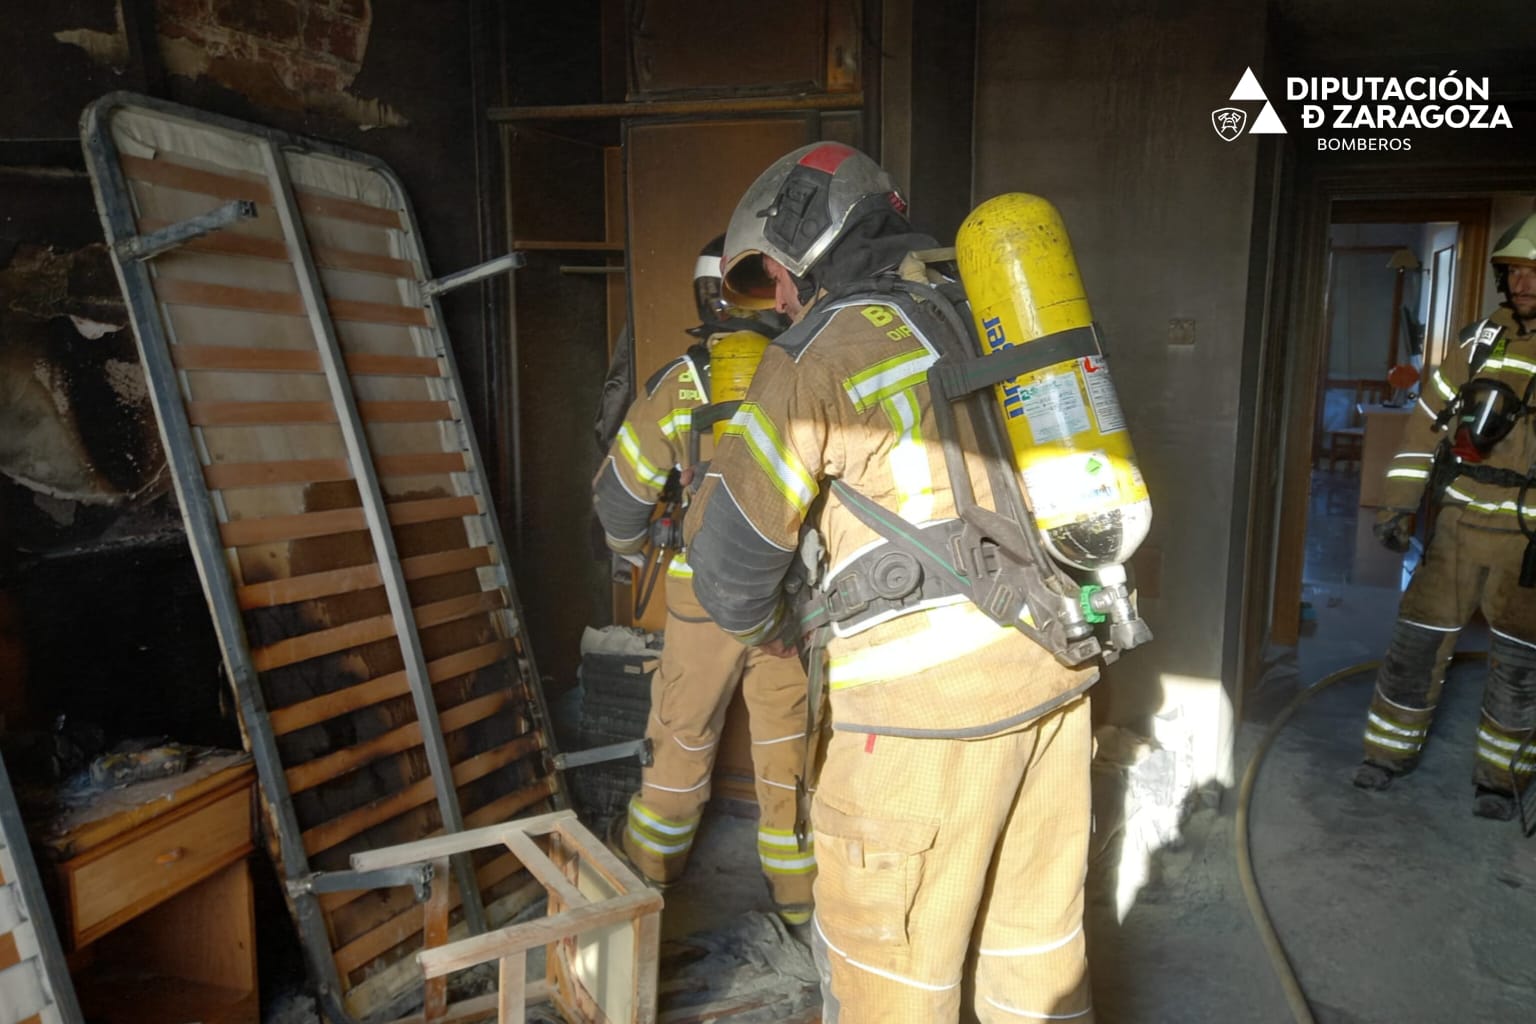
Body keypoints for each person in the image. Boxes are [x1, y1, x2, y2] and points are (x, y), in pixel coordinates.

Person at [684, 142, 1100, 1022]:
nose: (779, 301)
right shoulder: (982, 311)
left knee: (890, 987)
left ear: (804, 246)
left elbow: (727, 568)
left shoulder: (816, 354)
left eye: (774, 278)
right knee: (1035, 967)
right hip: (1056, 681)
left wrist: (777, 633)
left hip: (921, 729)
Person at [590, 235, 815, 925]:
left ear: (706, 297)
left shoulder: (682, 381)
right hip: (795, 597)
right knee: (789, 739)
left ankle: (651, 877)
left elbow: (619, 498)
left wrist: (630, 548)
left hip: (703, 596)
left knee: (681, 730)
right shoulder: (810, 365)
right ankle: (799, 898)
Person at [1356, 212, 1536, 820]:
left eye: (1535, 273)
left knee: (1519, 666)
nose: (1524, 284)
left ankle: (1500, 782)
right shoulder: (1478, 343)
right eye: (1515, 272)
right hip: (1457, 527)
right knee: (1416, 644)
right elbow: (1423, 430)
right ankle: (1385, 755)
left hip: (1527, 540)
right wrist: (1398, 505)